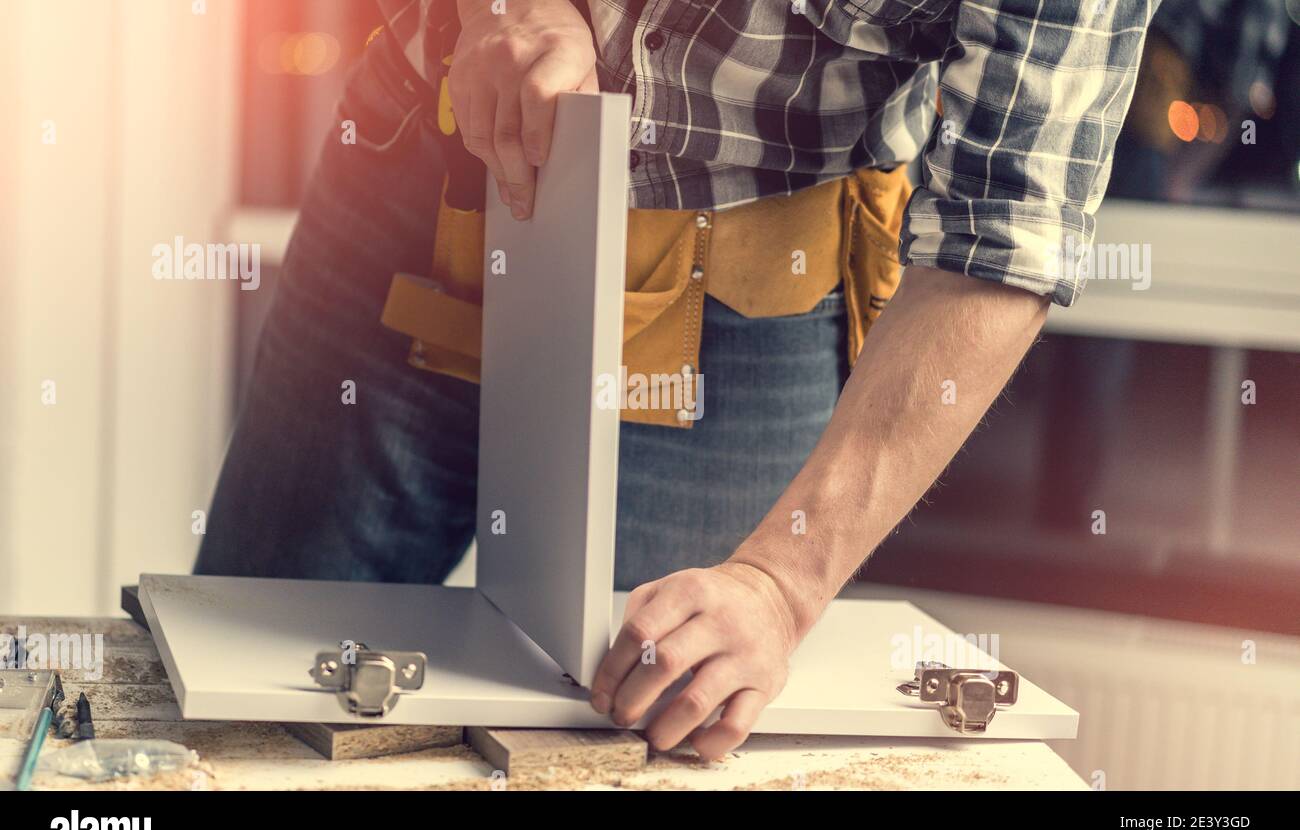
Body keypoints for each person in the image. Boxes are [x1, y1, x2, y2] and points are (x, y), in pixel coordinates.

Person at [196, 0, 1156, 760]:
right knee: (250, 695)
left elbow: (1002, 234)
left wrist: (778, 587)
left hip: (750, 287)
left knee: (643, 721)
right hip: (445, 159)